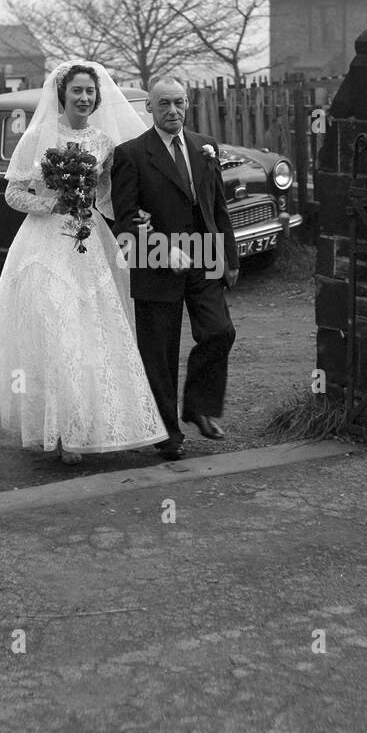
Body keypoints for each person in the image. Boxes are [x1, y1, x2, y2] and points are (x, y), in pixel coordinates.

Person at [0, 61, 167, 463]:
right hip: (43, 245)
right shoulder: (40, 136)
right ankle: (57, 430)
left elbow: (109, 194)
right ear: (62, 94)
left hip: (88, 240)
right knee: (56, 331)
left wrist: (138, 220)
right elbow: (13, 193)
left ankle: (83, 425)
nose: (84, 98)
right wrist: (50, 203)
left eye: (90, 92)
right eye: (77, 91)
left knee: (89, 334)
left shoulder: (102, 142)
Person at [111, 76, 239, 461]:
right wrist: (161, 247)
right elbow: (126, 218)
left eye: (179, 103)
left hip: (204, 256)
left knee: (220, 332)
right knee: (159, 353)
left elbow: (217, 207)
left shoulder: (205, 148)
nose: (173, 111)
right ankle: (166, 433)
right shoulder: (131, 154)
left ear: (188, 104)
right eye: (163, 104)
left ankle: (198, 406)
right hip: (155, 263)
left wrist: (230, 258)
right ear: (149, 108)